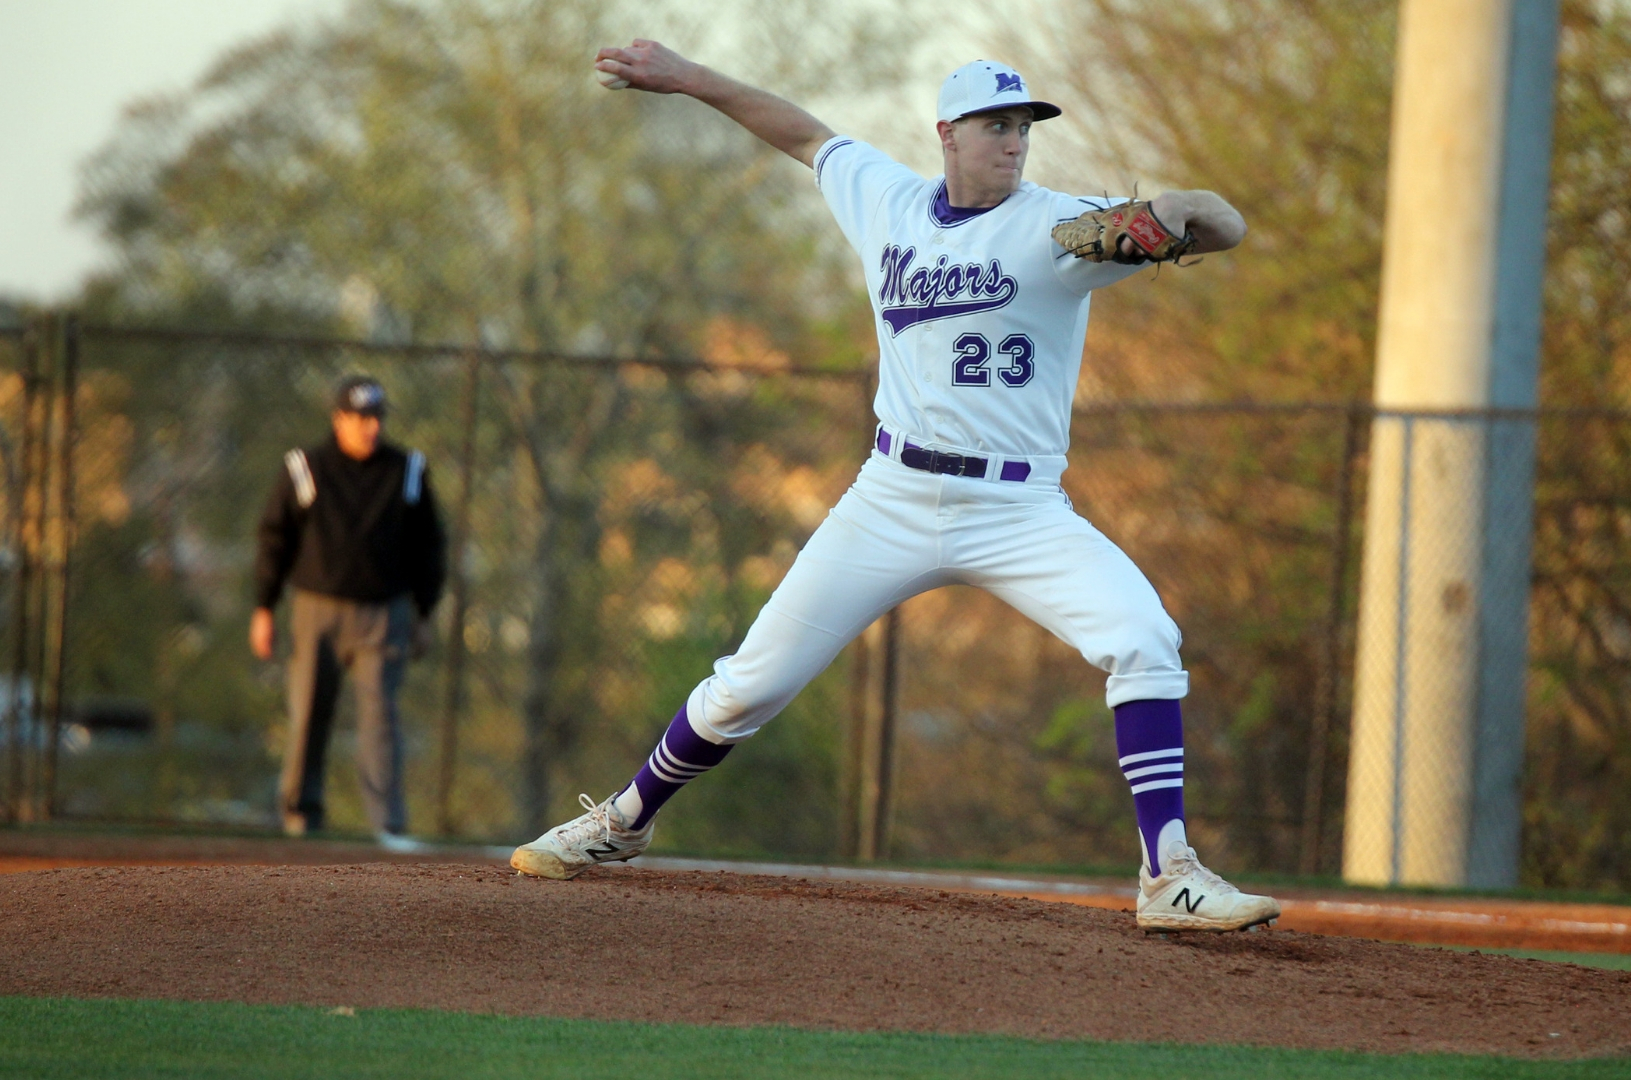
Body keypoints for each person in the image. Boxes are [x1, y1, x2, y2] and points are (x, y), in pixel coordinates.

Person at [512, 43, 1281, 933]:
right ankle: (623, 820)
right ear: (947, 133)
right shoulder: (885, 198)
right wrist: (688, 78)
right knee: (745, 688)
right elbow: (801, 132)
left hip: (1020, 510)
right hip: (892, 497)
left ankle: (1169, 872)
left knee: (1145, 636)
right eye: (996, 125)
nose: (1014, 142)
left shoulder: (1064, 227)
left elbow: (1226, 226)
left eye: (1023, 127)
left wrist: (1174, 214)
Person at [253, 376, 446, 852]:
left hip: (383, 616)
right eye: (359, 418)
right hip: (315, 611)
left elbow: (430, 547)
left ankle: (388, 827)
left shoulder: (407, 471)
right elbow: (275, 538)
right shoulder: (306, 467)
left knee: (380, 718)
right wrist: (264, 606)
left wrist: (424, 611)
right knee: (308, 714)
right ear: (338, 419)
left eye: (377, 417)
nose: (370, 427)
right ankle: (300, 816)